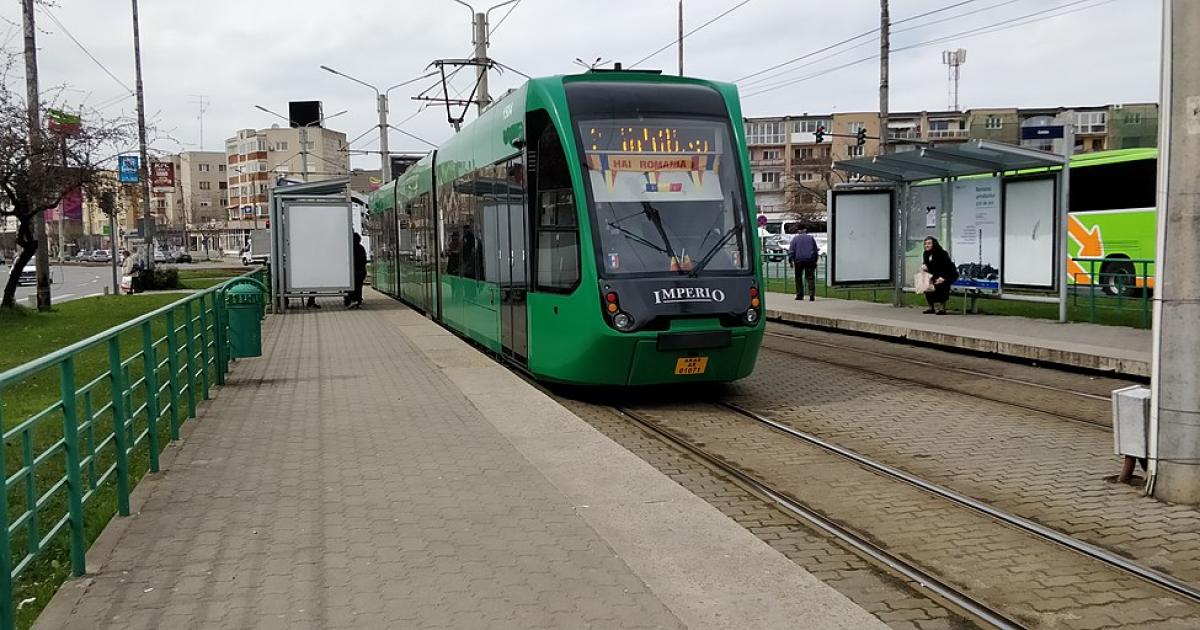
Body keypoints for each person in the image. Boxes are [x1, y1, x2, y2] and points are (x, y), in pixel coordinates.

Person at [921, 236, 958, 315]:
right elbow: (926, 264)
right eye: (925, 244)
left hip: (947, 274)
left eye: (929, 244)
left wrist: (943, 277)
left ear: (934, 244)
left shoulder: (941, 253)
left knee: (941, 285)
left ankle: (942, 308)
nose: (926, 245)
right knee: (927, 285)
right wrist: (924, 266)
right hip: (933, 274)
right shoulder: (926, 253)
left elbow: (948, 268)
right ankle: (931, 307)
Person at [787, 226, 819, 301]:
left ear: (798, 231)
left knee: (798, 278)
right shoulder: (811, 238)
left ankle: (799, 295)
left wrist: (790, 260)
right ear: (805, 230)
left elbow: (791, 250)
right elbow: (815, 250)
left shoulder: (795, 239)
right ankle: (811, 295)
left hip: (798, 260)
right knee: (810, 278)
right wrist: (815, 260)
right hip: (809, 260)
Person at [347, 232, 368, 309]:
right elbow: (364, 260)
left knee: (350, 287)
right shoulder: (361, 248)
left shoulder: (349, 248)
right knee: (359, 287)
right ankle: (358, 301)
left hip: (352, 271)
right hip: (360, 271)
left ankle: (352, 300)